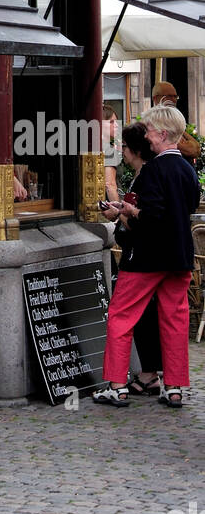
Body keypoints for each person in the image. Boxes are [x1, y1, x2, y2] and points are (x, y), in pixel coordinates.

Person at [93, 105, 200, 409]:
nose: (147, 134)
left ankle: (116, 385)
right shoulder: (188, 170)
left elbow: (152, 217)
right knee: (175, 320)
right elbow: (187, 208)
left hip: (147, 258)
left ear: (162, 134)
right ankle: (175, 386)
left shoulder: (154, 170)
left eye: (150, 129)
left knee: (121, 316)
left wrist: (129, 211)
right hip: (179, 256)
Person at [114, 122, 160, 396]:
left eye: (124, 146)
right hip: (141, 253)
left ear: (134, 150)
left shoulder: (146, 176)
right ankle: (151, 372)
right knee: (144, 315)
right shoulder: (142, 174)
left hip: (140, 256)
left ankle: (140, 375)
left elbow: (141, 220)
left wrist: (121, 213)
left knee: (133, 316)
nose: (122, 151)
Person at [102, 103, 121, 201]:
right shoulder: (108, 149)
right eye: (111, 122)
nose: (117, 125)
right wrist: (119, 213)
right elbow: (110, 185)